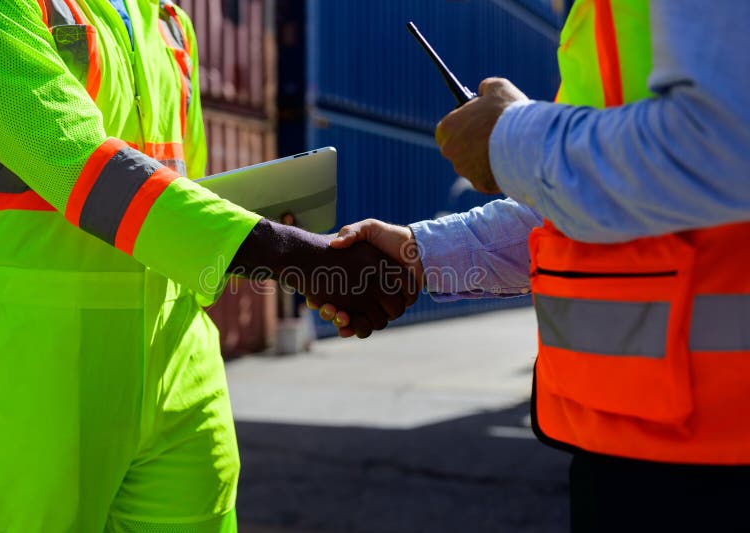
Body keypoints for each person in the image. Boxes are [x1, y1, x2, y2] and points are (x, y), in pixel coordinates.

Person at [0, 1, 414, 531]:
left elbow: (183, 187)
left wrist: (290, 246)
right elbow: (75, 160)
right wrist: (288, 253)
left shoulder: (169, 19)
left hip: (179, 359)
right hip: (26, 368)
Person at [315, 1, 750, 531]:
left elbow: (725, 143)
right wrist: (416, 252)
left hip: (718, 455)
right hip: (640, 446)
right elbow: (576, 210)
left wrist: (511, 137)